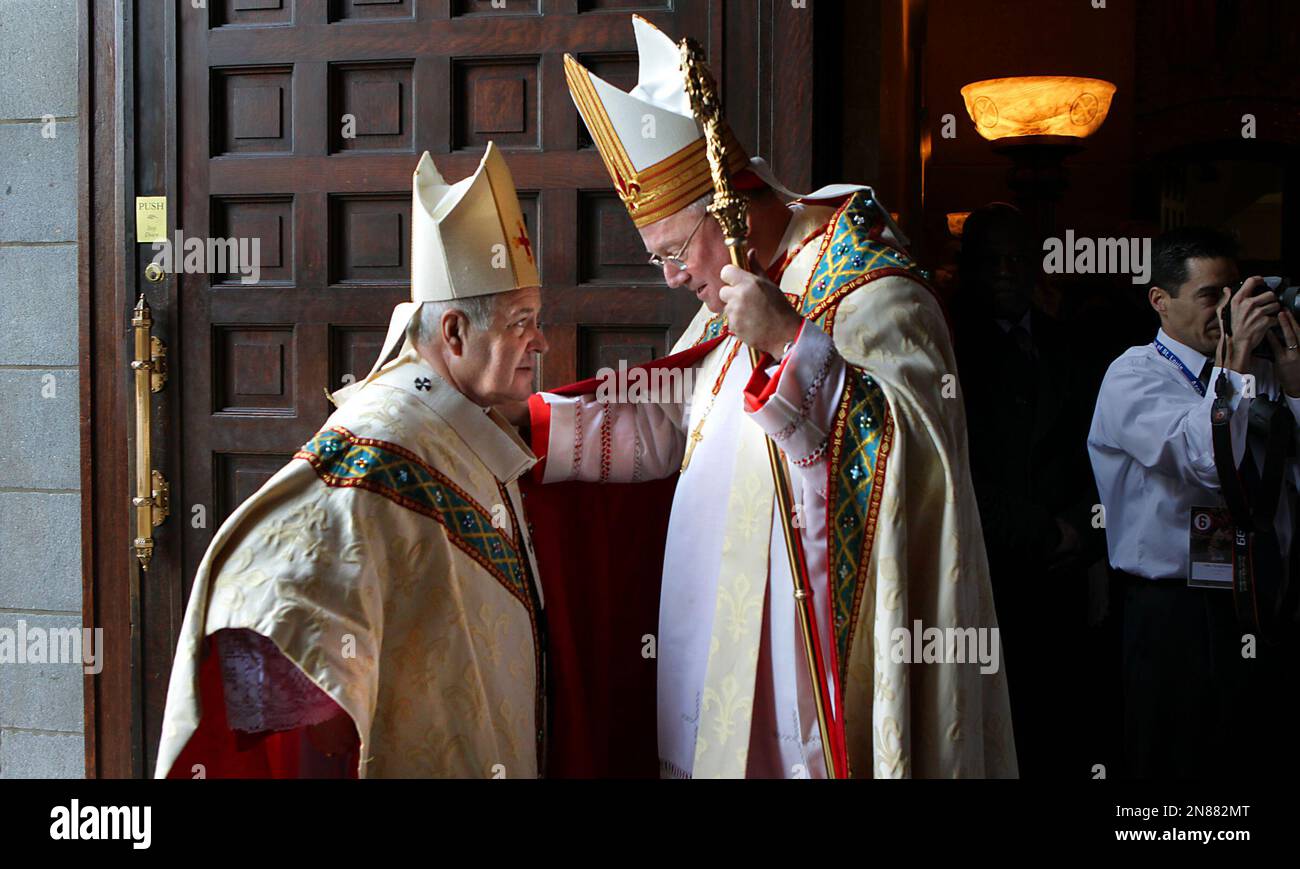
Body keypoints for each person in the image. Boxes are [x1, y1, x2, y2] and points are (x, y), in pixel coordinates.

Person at [516, 15, 1016, 779]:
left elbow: (917, 475)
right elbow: (681, 421)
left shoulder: (875, 299)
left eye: (675, 252)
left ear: (732, 209)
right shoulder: (744, 287)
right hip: (716, 649)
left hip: (804, 674)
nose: (674, 277)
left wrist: (791, 343)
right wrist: (525, 427)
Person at [154, 142, 551, 778]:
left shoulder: (457, 419)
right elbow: (279, 577)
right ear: (453, 334)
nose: (541, 341)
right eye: (521, 322)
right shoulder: (378, 443)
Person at [1087, 226, 1300, 778]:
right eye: (1210, 295)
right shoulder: (1132, 376)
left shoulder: (1259, 371)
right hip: (1174, 612)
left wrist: (1295, 386)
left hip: (1261, 596)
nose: (1228, 308)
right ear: (1160, 301)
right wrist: (1234, 367)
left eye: (1234, 291)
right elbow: (1207, 461)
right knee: (1176, 765)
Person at [953, 203, 1106, 777]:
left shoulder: (1072, 345)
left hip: (1065, 577)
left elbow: (1100, 448)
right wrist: (1039, 532)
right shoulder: (946, 347)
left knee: (1061, 733)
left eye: (1017, 258)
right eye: (990, 259)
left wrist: (1083, 531)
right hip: (990, 573)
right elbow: (952, 468)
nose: (1005, 271)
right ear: (968, 266)